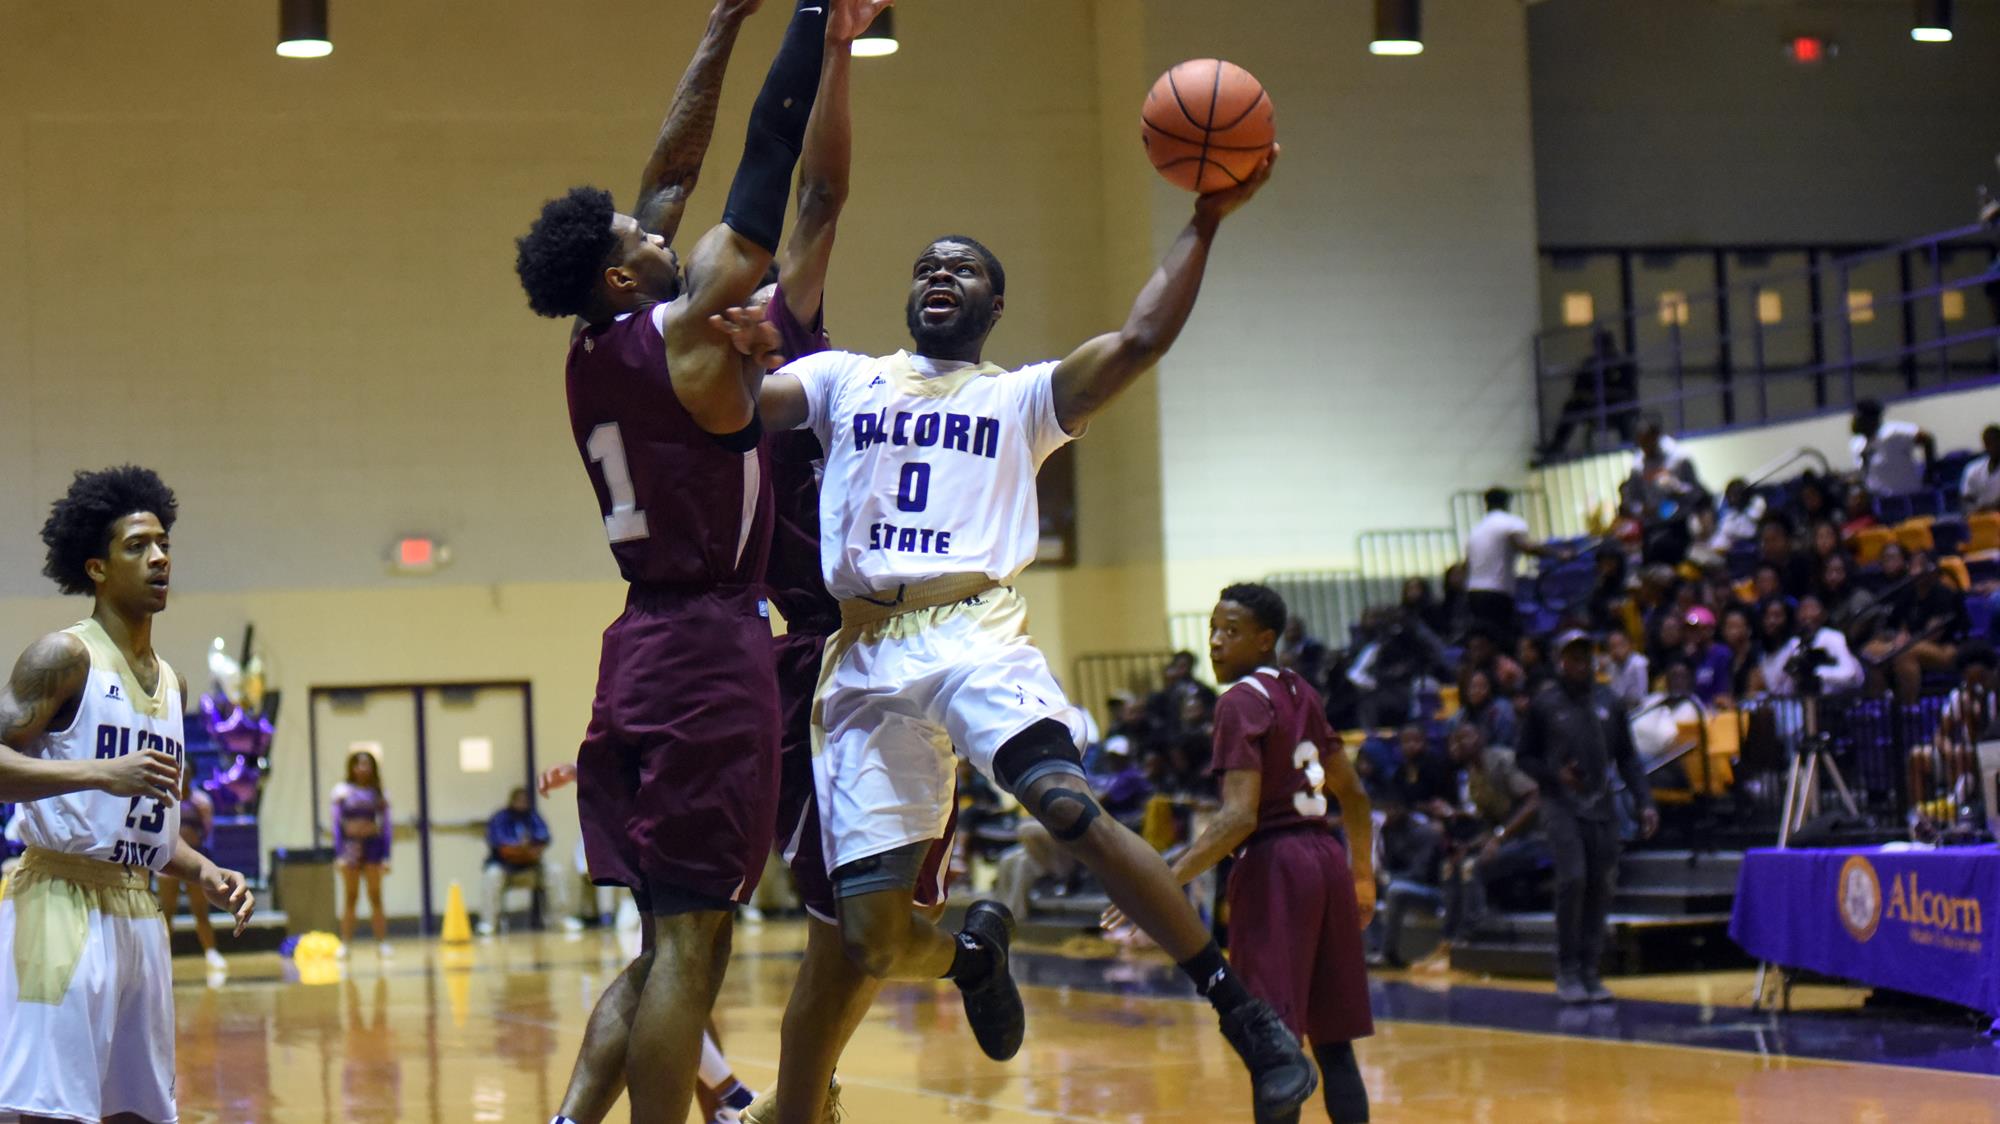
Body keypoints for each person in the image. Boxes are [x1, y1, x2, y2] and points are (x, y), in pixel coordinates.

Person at [733, 142, 1317, 1114]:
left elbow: (1135, 339)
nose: (938, 276)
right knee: (872, 937)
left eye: (961, 269)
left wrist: (1205, 218)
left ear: (992, 306)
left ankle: (1242, 1013)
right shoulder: (842, 378)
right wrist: (714, 335)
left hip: (973, 631)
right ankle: (970, 950)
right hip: (863, 655)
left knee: (1065, 806)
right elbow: (742, 404)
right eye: (926, 266)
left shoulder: (1020, 397)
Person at [514, 0, 846, 1117]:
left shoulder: (592, 346)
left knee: (663, 939)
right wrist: (807, 23)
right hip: (708, 649)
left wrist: (721, 21)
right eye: (640, 241)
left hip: (638, 648)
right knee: (694, 948)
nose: (661, 231)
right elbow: (761, 166)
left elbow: (664, 171)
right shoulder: (688, 330)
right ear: (622, 278)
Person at [0, 466, 255, 1123]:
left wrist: (205, 872)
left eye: (164, 543)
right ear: (95, 567)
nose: (160, 557)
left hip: (138, 913)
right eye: (137, 546)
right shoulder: (62, 656)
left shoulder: (173, 683)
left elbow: (153, 830)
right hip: (58, 905)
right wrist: (94, 772)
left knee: (134, 1112)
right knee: (47, 1109)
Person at [1104, 584, 1374, 1124]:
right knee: (1334, 1044)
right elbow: (1355, 795)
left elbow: (1239, 817)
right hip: (1325, 857)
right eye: (1212, 630)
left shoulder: (1237, 702)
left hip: (1276, 868)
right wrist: (1362, 877)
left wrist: (1158, 883)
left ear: (1265, 639)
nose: (1215, 643)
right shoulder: (1303, 692)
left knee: (1272, 1048)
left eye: (1230, 632)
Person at [1515, 631, 1657, 1004]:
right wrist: (1553, 774)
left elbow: (1627, 757)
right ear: (1561, 660)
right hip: (1560, 803)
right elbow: (1523, 757)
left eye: (1585, 656)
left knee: (1601, 884)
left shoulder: (1609, 700)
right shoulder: (1544, 703)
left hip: (1602, 803)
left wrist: (1645, 802)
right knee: (1573, 878)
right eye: (1572, 657)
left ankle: (1590, 969)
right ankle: (1567, 968)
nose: (1580, 664)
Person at [1464, 488, 1570, 649]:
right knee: (1503, 640)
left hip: (1474, 592)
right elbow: (1525, 546)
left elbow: (1467, 564)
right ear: (1507, 503)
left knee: (1484, 641)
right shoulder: (1510, 523)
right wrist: (1557, 553)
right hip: (1497, 592)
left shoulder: (1476, 530)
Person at [478, 787, 579, 937]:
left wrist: (530, 851)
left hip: (531, 868)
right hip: (505, 868)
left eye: (525, 800)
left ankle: (562, 919)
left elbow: (543, 839)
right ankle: (489, 923)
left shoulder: (533, 817)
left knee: (556, 871)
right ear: (511, 801)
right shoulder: (500, 818)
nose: (522, 803)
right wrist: (521, 850)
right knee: (491, 875)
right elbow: (502, 846)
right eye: (518, 800)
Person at [157, 769, 228, 971]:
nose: (183, 777)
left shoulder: (201, 801)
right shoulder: (165, 798)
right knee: (167, 911)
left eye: (187, 773)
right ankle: (162, 957)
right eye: (181, 772)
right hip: (168, 863)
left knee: (201, 911)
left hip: (194, 862)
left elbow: (208, 831)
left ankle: (211, 952)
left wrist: (203, 859)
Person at [331, 750, 392, 958]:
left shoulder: (379, 793)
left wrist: (386, 855)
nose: (362, 768)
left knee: (376, 895)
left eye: (367, 764)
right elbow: (336, 825)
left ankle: (382, 942)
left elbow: (386, 826)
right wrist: (339, 853)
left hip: (373, 846)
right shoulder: (342, 791)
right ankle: (346, 943)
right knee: (350, 896)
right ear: (351, 767)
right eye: (358, 764)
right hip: (350, 848)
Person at [1850, 398, 1937, 500]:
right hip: (1879, 502)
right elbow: (1864, 474)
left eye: (1857, 416)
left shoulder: (1892, 432)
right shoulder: (1856, 443)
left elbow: (1926, 438)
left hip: (1906, 498)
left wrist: (1929, 472)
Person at [1961, 424, 2000, 514]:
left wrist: (1990, 509)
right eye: (1988, 443)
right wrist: (1978, 509)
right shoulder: (1973, 469)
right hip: (1979, 517)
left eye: (1995, 442)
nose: (1992, 447)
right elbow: (1966, 498)